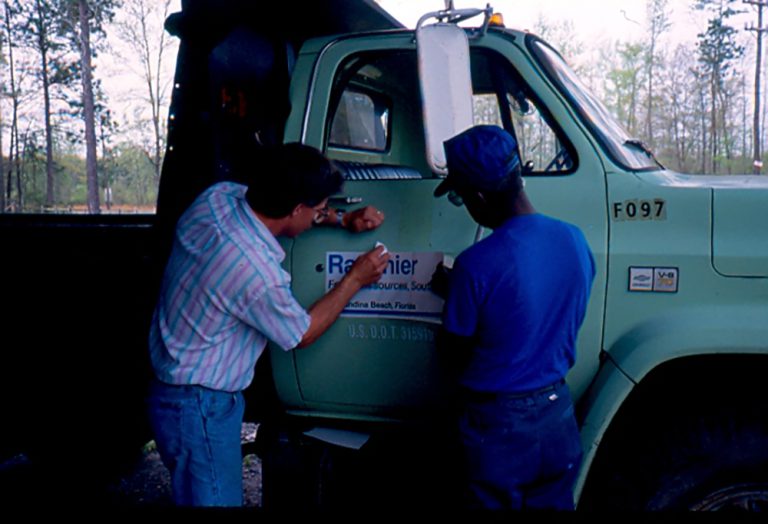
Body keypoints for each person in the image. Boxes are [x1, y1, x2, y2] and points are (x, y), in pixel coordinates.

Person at [147, 142, 389, 507]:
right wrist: (355, 279)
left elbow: (290, 211)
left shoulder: (218, 199)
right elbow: (301, 332)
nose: (322, 214)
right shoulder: (254, 271)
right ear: (295, 209)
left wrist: (342, 219)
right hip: (199, 405)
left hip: (177, 391)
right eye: (320, 209)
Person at [433, 125, 595, 510]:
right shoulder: (575, 239)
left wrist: (457, 292)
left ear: (479, 196)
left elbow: (455, 353)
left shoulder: (476, 264)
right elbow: (540, 307)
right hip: (557, 415)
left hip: (498, 428)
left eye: (460, 196)